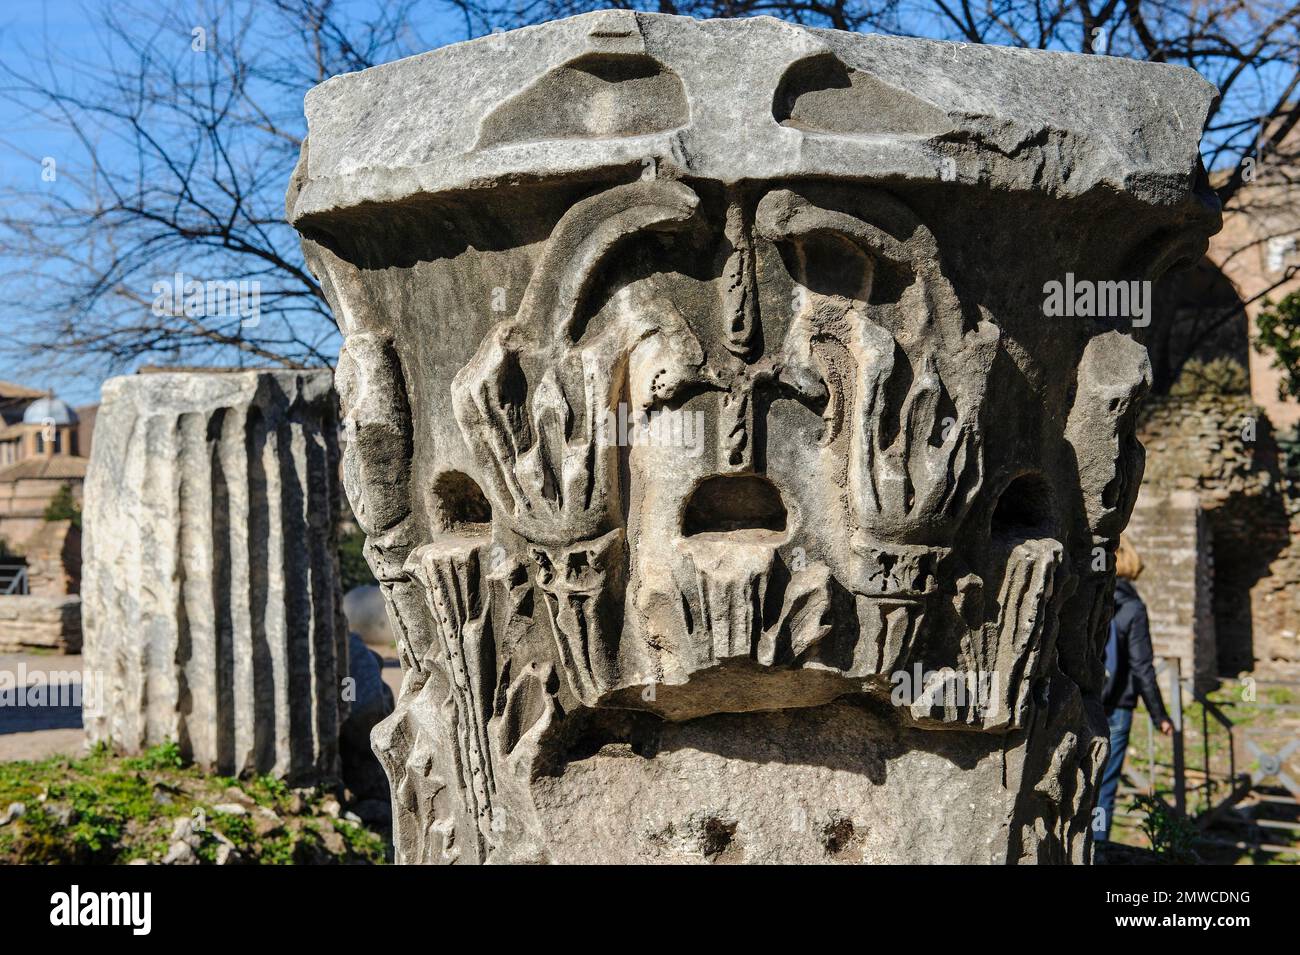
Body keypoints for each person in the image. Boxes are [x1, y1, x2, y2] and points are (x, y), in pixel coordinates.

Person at [1095, 535, 1174, 844]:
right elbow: (1143, 668)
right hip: (1117, 708)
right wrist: (1160, 715)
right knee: (1105, 785)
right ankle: (1098, 851)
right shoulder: (1133, 608)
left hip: (1085, 701)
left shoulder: (1093, 598)